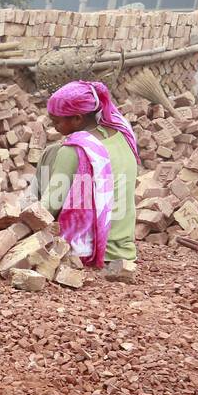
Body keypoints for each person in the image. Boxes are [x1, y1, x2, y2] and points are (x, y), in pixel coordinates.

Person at [37, 80, 140, 272]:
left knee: (54, 155)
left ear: (77, 118)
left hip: (94, 248)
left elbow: (49, 207)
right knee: (53, 151)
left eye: (56, 121)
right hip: (124, 246)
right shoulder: (122, 133)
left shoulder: (74, 150)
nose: (53, 127)